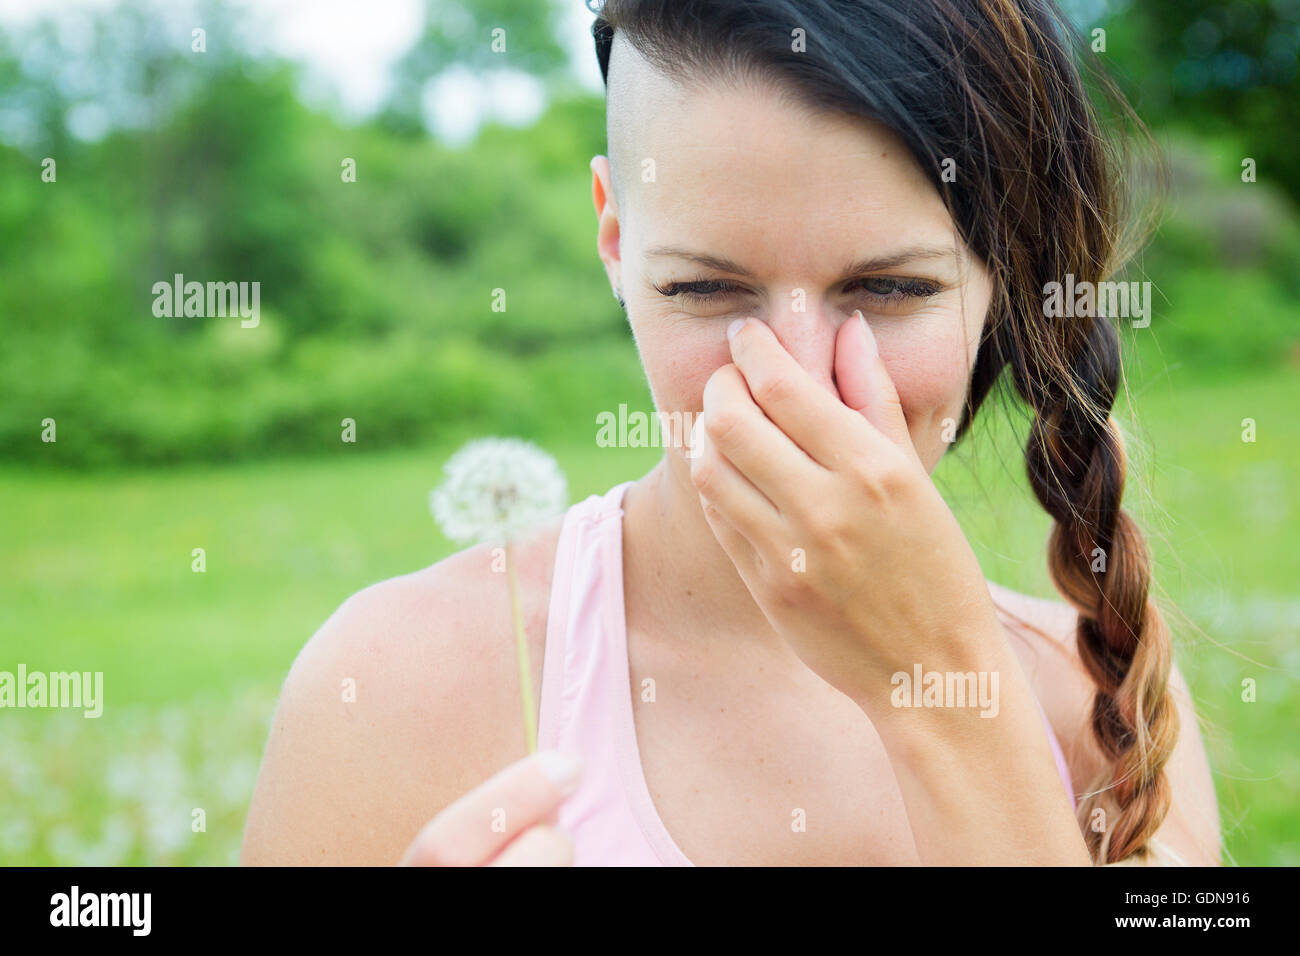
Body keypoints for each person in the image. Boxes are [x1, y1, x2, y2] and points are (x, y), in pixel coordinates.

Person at [241, 0, 1221, 866]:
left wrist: (949, 705)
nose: (788, 374)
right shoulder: (392, 683)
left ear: (1006, 269)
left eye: (888, 288)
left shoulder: (1093, 692)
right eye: (705, 288)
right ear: (614, 239)